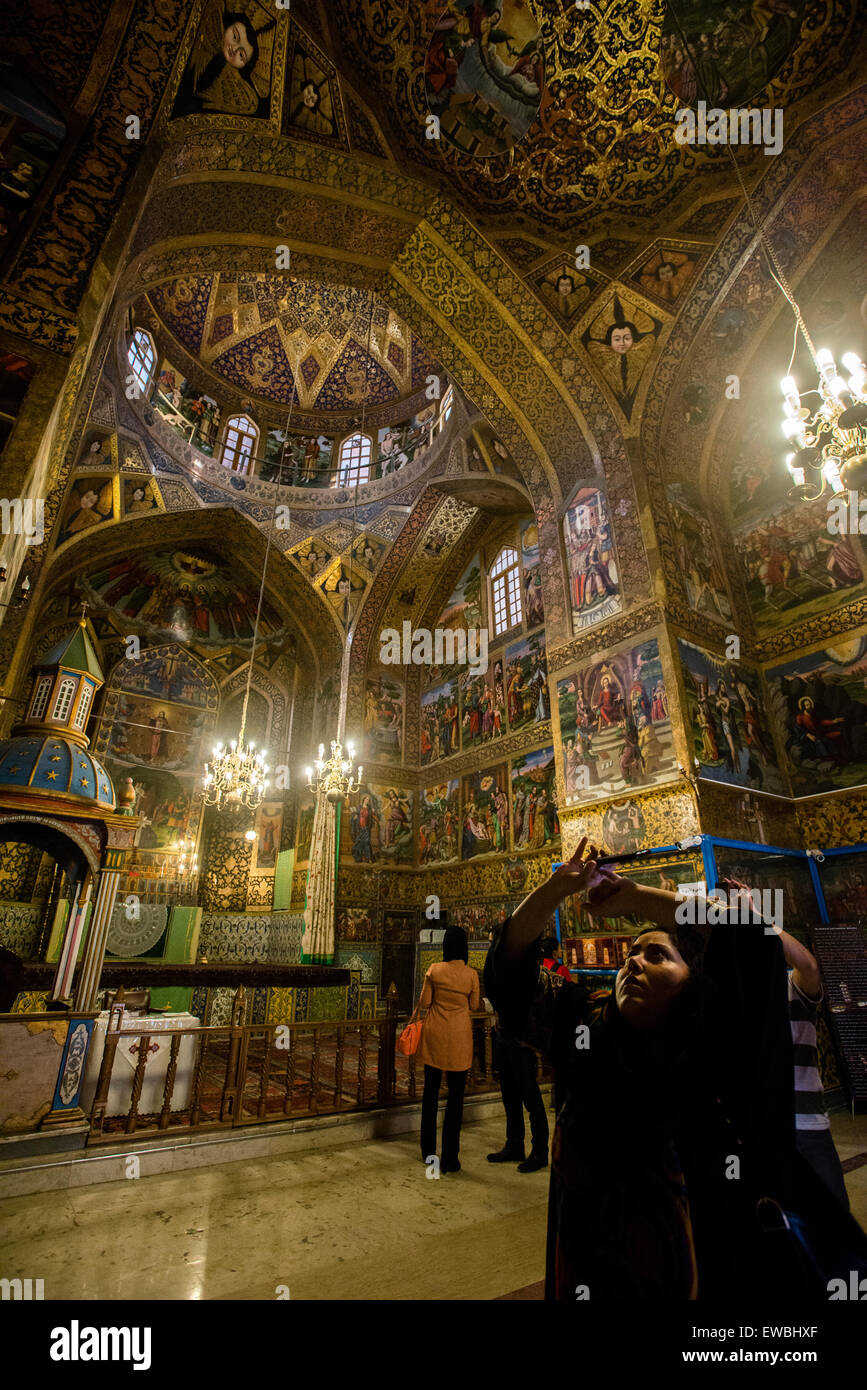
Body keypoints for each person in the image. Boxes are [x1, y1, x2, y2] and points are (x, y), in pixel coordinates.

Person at [485, 838, 867, 1300]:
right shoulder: (586, 1031)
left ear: (696, 981)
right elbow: (509, 976)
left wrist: (637, 898)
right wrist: (554, 890)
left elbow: (745, 939)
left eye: (658, 955)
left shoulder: (718, 1043)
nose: (634, 962)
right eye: (632, 954)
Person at [484, 931, 550, 1173]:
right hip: (504, 1037)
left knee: (531, 1098)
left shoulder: (535, 973)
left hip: (522, 1043)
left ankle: (540, 1151)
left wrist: (530, 1038)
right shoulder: (508, 969)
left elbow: (539, 1008)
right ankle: (514, 1145)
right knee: (510, 1096)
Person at [417, 924, 480, 1173]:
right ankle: (451, 1158)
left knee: (430, 1095)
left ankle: (428, 1152)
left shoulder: (434, 970)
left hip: (435, 1034)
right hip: (460, 1037)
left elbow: (424, 1002)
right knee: (456, 1099)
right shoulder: (471, 975)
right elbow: (475, 1005)